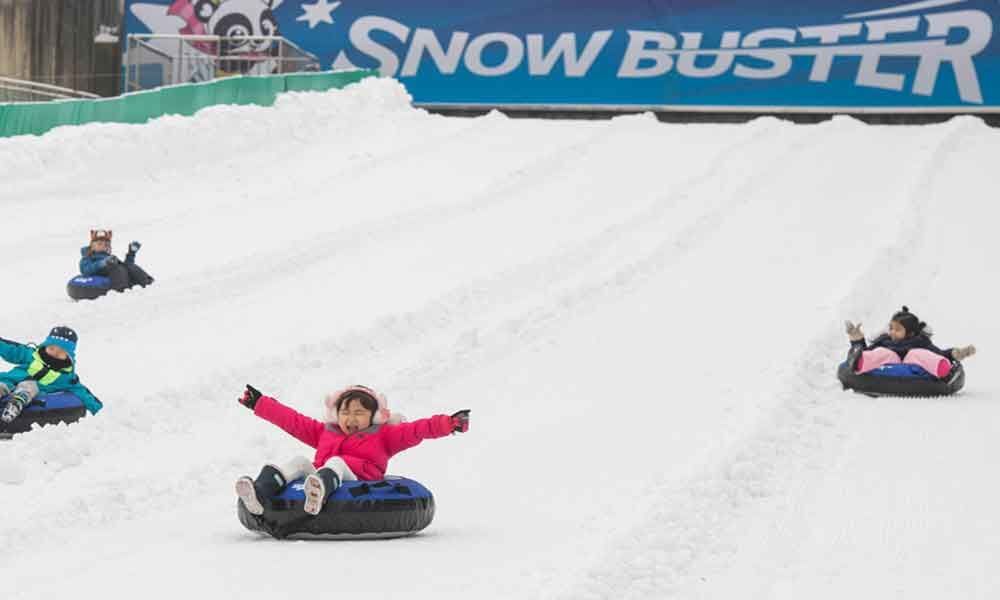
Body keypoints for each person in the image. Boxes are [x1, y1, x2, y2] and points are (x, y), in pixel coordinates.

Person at [234, 384, 470, 516]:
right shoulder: (326, 432)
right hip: (323, 471)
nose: (351, 418)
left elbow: (418, 429)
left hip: (359, 477)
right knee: (299, 461)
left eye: (359, 413)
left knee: (336, 462)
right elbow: (293, 421)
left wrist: (448, 423)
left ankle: (319, 491)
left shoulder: (385, 434)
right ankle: (259, 492)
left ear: (374, 416)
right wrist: (260, 403)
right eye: (345, 413)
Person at [0, 326, 103, 424]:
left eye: (61, 352)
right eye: (52, 348)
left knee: (29, 386)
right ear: (45, 346)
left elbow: (82, 391)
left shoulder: (67, 377)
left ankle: (15, 404)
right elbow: (13, 350)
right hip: (10, 379)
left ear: (68, 355)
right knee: (3, 384)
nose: (55, 353)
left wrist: (99, 411)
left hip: (32, 390)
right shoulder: (32, 355)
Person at [845, 306, 976, 378]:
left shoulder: (919, 342)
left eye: (897, 330)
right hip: (889, 362)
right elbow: (868, 352)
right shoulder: (885, 340)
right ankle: (859, 364)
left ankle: (941, 368)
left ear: (910, 333)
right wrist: (857, 340)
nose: (892, 332)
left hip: (913, 366)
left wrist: (955, 354)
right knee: (883, 352)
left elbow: (939, 353)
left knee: (917, 354)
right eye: (891, 328)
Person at [79, 229, 154, 292]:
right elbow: (86, 270)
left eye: (106, 245)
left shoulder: (110, 257)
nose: (103, 246)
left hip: (118, 278)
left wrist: (131, 253)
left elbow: (126, 267)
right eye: (99, 244)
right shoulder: (88, 257)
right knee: (116, 268)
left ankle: (147, 282)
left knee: (128, 266)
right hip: (101, 279)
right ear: (92, 246)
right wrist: (102, 263)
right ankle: (121, 290)